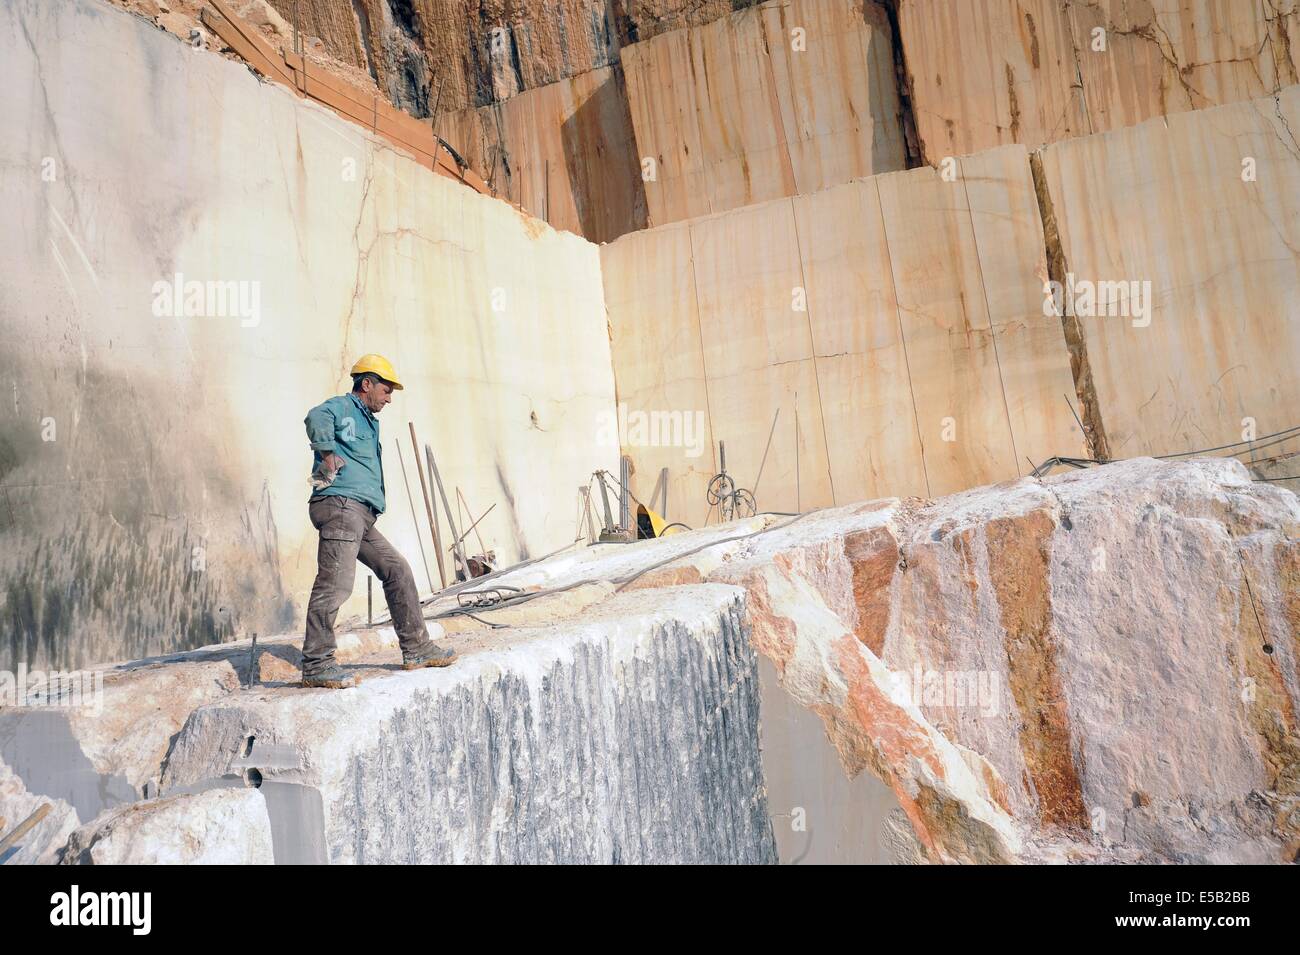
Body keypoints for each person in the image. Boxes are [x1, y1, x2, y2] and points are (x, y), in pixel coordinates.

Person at [300, 354, 456, 688]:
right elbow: (315, 416)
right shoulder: (343, 407)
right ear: (366, 384)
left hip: (360, 513)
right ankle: (316, 664)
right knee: (336, 583)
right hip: (341, 505)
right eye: (385, 390)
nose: (389, 397)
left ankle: (417, 648)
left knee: (397, 570)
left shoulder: (369, 421)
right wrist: (328, 455)